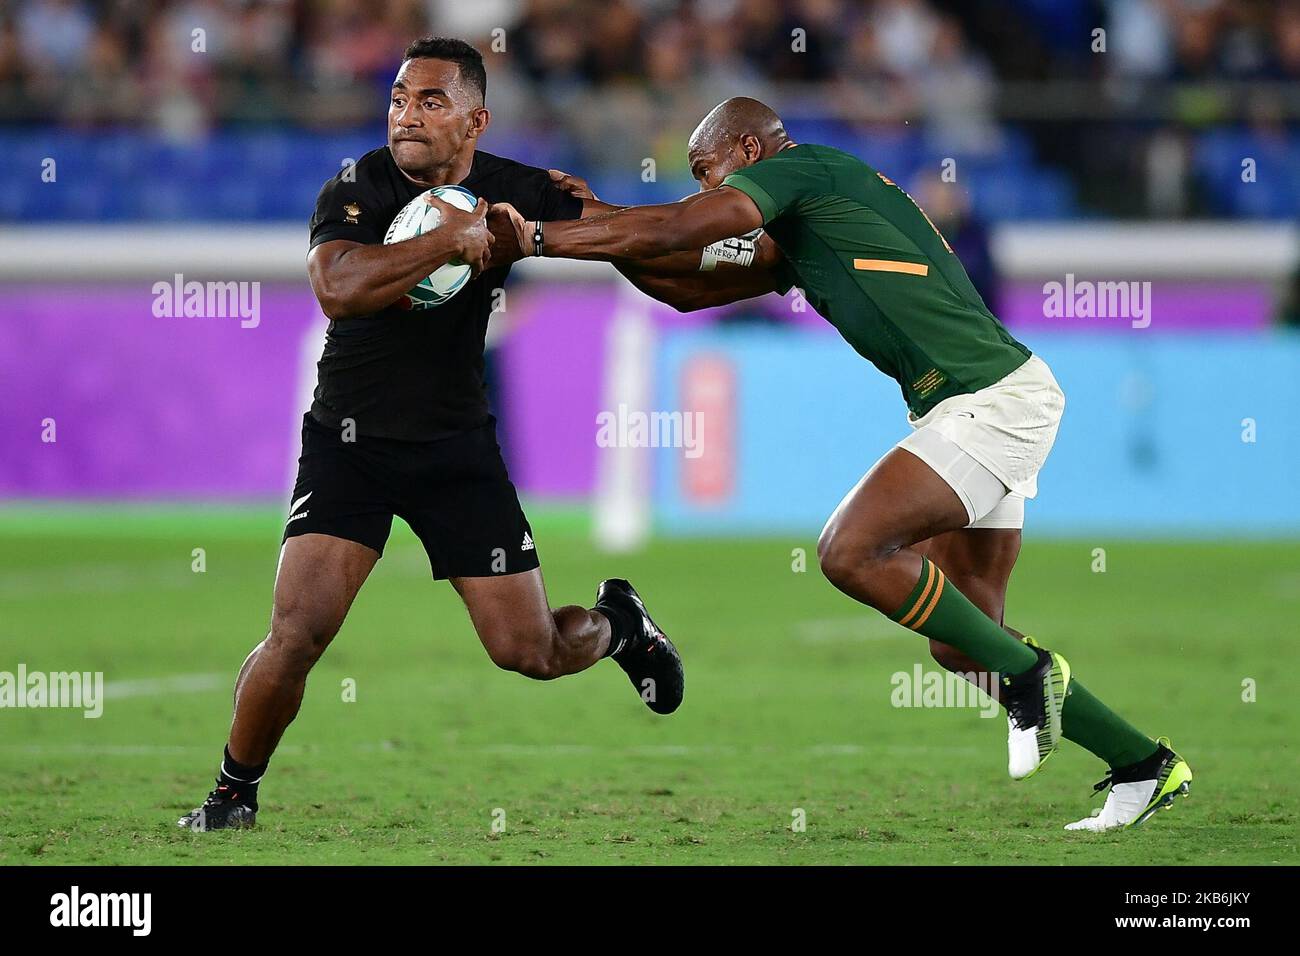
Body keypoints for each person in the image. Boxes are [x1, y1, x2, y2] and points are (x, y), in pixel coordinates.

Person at [491, 96, 1192, 832]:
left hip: (989, 402)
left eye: (709, 171)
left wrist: (546, 236)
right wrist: (600, 228)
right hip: (982, 402)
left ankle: (1033, 678)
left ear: (751, 153)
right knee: (964, 641)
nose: (705, 189)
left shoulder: (807, 169)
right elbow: (688, 286)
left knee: (850, 550)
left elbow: (683, 226)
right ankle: (1142, 763)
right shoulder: (800, 226)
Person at [177, 38, 683, 832]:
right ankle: (231, 796)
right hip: (351, 441)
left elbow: (627, 234)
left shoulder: (517, 187)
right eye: (399, 99)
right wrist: (450, 238)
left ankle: (621, 624)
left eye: (431, 101)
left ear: (475, 119)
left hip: (456, 448)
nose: (406, 115)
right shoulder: (355, 186)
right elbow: (337, 289)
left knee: (532, 652)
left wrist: (737, 241)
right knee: (297, 631)